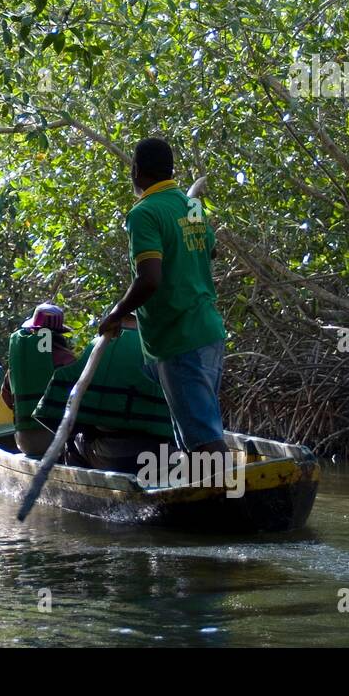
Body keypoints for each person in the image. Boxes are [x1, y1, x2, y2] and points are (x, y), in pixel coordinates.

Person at [98, 137, 228, 457]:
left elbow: (149, 280)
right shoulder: (190, 206)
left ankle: (231, 499)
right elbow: (211, 249)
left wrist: (115, 313)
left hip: (179, 339)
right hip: (208, 333)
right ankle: (203, 497)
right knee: (195, 433)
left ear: (137, 172)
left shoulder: (144, 213)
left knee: (203, 440)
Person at [32, 315, 175, 471]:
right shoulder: (156, 351)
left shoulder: (95, 348)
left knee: (71, 443)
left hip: (102, 455)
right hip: (151, 457)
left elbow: (52, 417)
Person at [2, 303, 76, 456]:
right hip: (58, 442)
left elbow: (8, 399)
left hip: (24, 442)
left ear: (33, 330)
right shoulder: (67, 360)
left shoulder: (19, 364)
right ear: (59, 333)